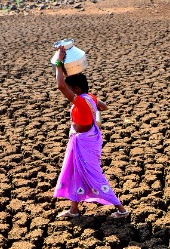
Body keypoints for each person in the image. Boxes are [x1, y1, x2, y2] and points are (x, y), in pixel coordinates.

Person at [51, 45, 129, 219]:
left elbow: (60, 85)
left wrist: (58, 62)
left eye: (71, 90)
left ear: (77, 90)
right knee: (75, 172)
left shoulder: (79, 101)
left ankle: (122, 210)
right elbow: (103, 106)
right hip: (85, 139)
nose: (68, 92)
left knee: (94, 175)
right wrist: (97, 120)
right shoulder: (90, 97)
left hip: (85, 142)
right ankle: (74, 209)